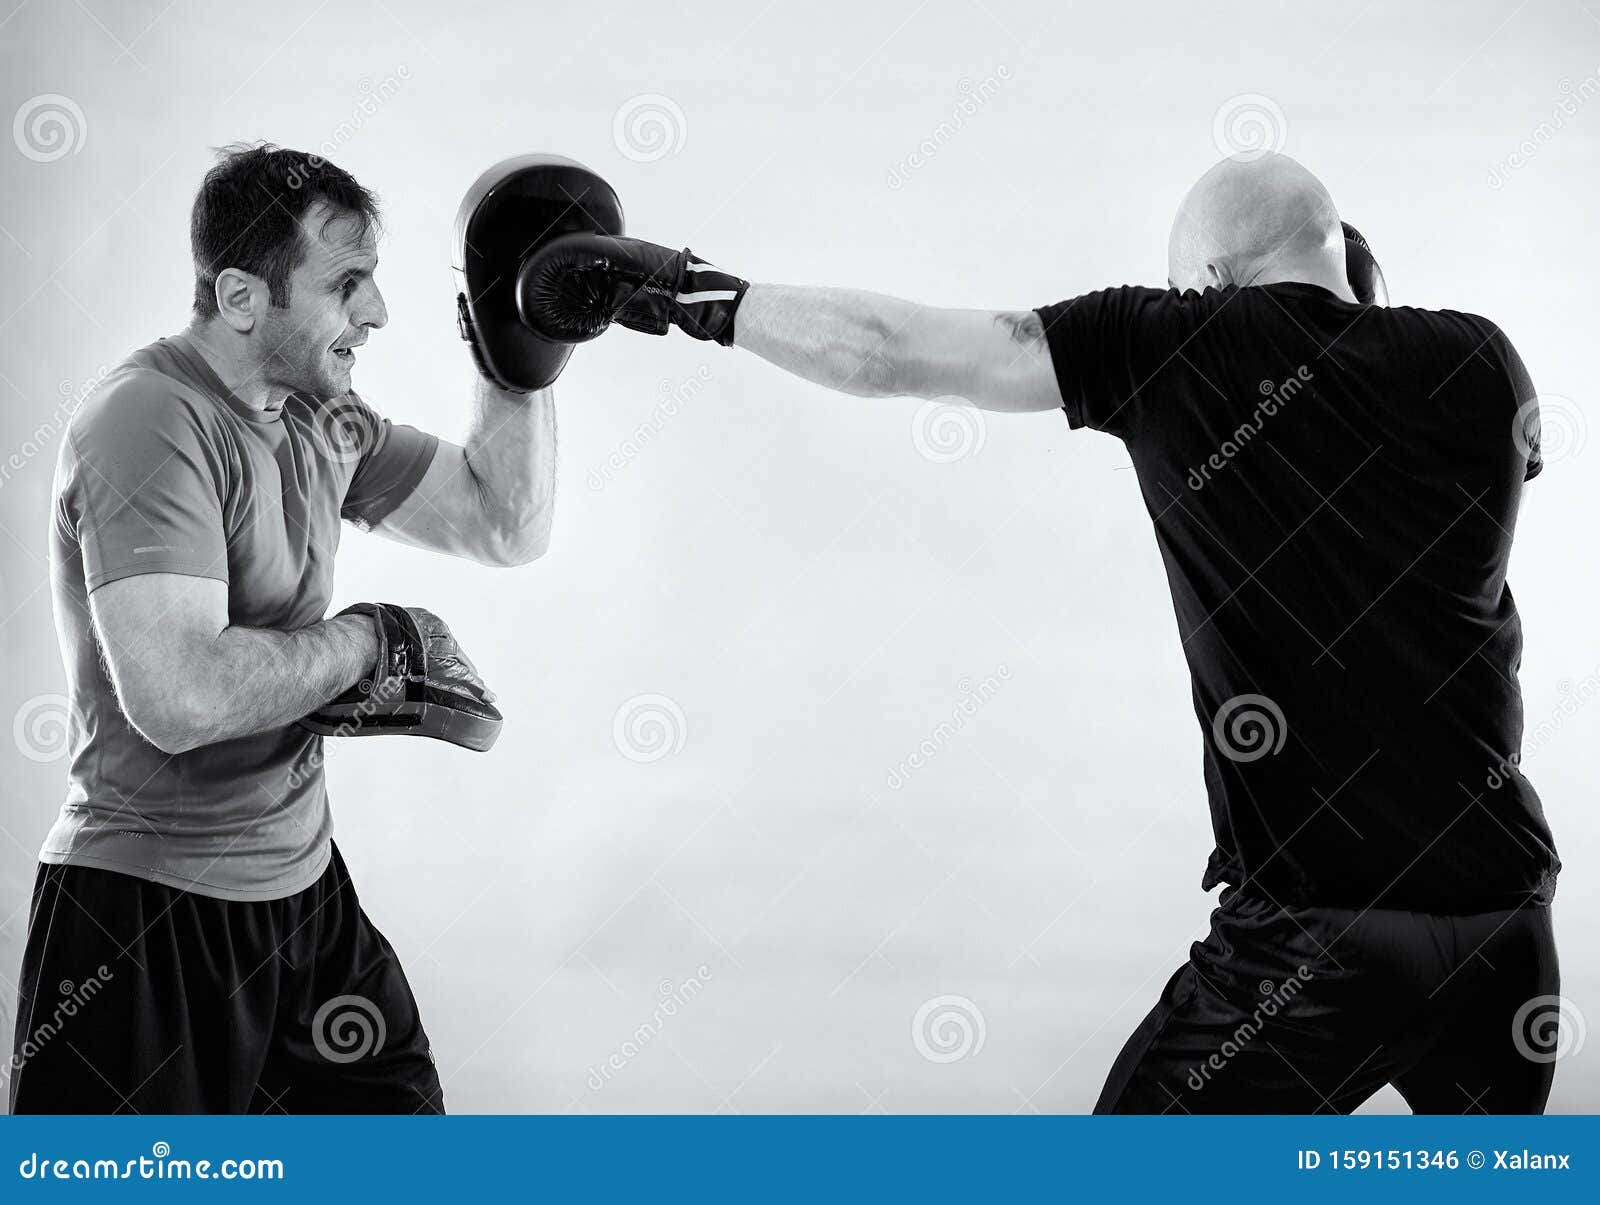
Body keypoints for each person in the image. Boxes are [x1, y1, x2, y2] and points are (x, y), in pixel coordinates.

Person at [523, 151, 1562, 1114]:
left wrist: (684, 289)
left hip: (1318, 938)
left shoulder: (1174, 341)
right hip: (1508, 927)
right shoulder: (1482, 361)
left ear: (1205, 276)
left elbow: (893, 352)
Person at [8, 143, 555, 1114]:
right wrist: (365, 641)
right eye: (347, 285)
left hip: (302, 896)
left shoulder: (319, 417)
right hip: (145, 920)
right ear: (241, 296)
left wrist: (519, 352)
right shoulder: (148, 419)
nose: (376, 313)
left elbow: (501, 522)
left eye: (374, 282)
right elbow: (177, 696)